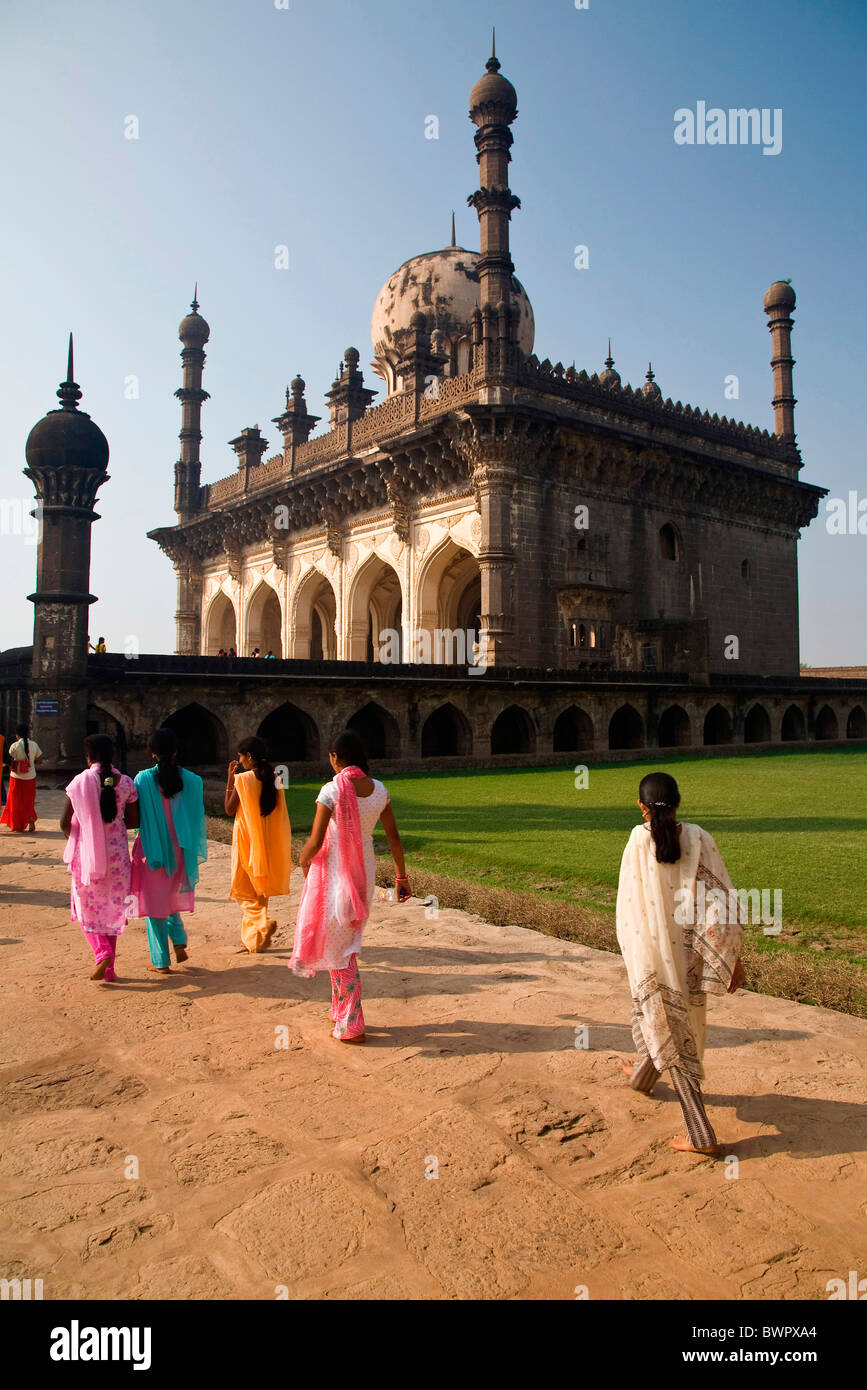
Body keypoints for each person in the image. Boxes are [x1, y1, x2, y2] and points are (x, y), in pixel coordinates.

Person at [615, 771, 745, 1157]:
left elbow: (628, 908)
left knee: (669, 1028)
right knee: (674, 1022)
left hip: (653, 953)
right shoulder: (699, 838)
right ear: (679, 803)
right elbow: (721, 900)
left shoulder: (638, 841)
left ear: (640, 806)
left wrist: (637, 954)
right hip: (689, 956)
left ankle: (701, 1135)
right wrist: (729, 957)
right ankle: (642, 1075)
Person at [290, 729, 409, 1044]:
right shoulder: (378, 790)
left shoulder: (332, 790)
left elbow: (315, 841)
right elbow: (394, 838)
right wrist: (401, 877)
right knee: (340, 942)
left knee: (341, 950)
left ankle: (352, 1024)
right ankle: (339, 1010)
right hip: (363, 871)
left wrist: (302, 862)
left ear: (334, 757)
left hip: (335, 873)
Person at [60, 734, 139, 982]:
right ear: (112, 755)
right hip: (117, 856)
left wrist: (84, 829)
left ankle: (101, 953)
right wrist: (113, 824)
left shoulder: (79, 783)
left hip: (88, 856)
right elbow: (135, 822)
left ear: (88, 757)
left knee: (84, 907)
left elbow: (64, 823)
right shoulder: (125, 782)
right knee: (111, 911)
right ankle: (109, 970)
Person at [129, 728, 207, 975]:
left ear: (153, 753)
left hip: (153, 851)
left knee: (154, 906)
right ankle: (180, 938)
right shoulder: (193, 781)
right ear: (175, 751)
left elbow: (135, 816)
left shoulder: (142, 779)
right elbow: (195, 820)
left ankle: (161, 961)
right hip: (181, 850)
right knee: (168, 897)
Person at [225, 736, 292, 953]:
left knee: (242, 889)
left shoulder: (243, 779)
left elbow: (228, 809)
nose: (240, 760)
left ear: (249, 756)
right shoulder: (275, 778)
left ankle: (261, 923)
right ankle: (255, 940)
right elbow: (280, 814)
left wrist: (230, 780)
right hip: (266, 839)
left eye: (241, 756)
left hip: (246, 837)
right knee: (259, 889)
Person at [1, 722, 43, 833]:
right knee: (28, 801)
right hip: (31, 777)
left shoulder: (14, 746)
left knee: (15, 801)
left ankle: (16, 825)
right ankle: (30, 819)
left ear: (17, 735)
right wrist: (30, 762)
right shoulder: (34, 745)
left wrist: (16, 763)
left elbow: (9, 759)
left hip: (16, 778)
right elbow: (40, 760)